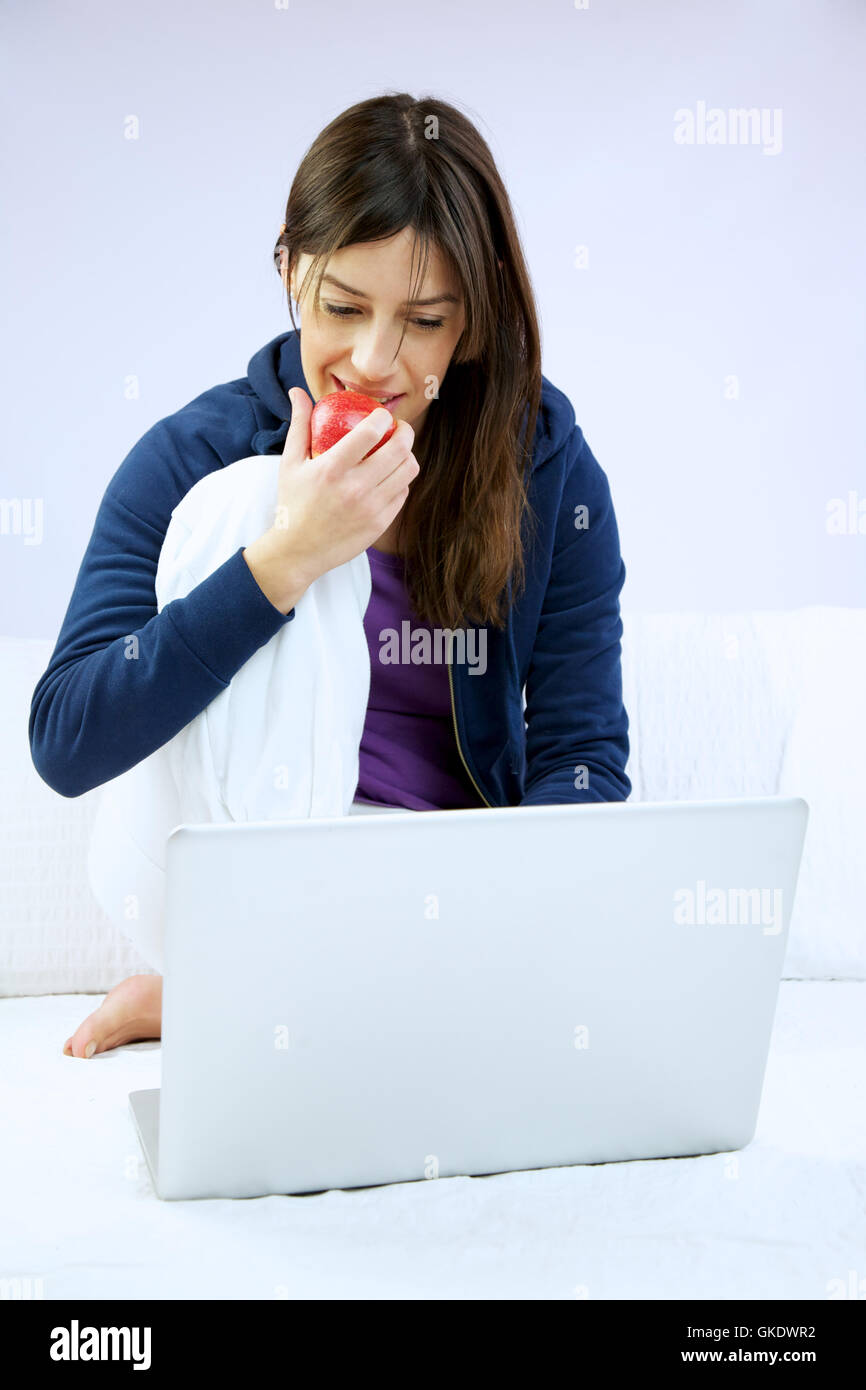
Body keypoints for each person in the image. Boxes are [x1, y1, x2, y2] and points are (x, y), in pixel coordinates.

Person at [28, 91, 631, 1061]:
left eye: (423, 320)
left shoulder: (547, 471)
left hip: (436, 896)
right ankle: (248, 980)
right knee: (243, 503)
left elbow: (582, 758)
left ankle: (255, 1002)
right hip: (242, 875)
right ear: (288, 271)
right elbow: (67, 739)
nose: (373, 360)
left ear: (471, 326)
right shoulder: (196, 456)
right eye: (342, 307)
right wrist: (286, 558)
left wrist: (529, 923)